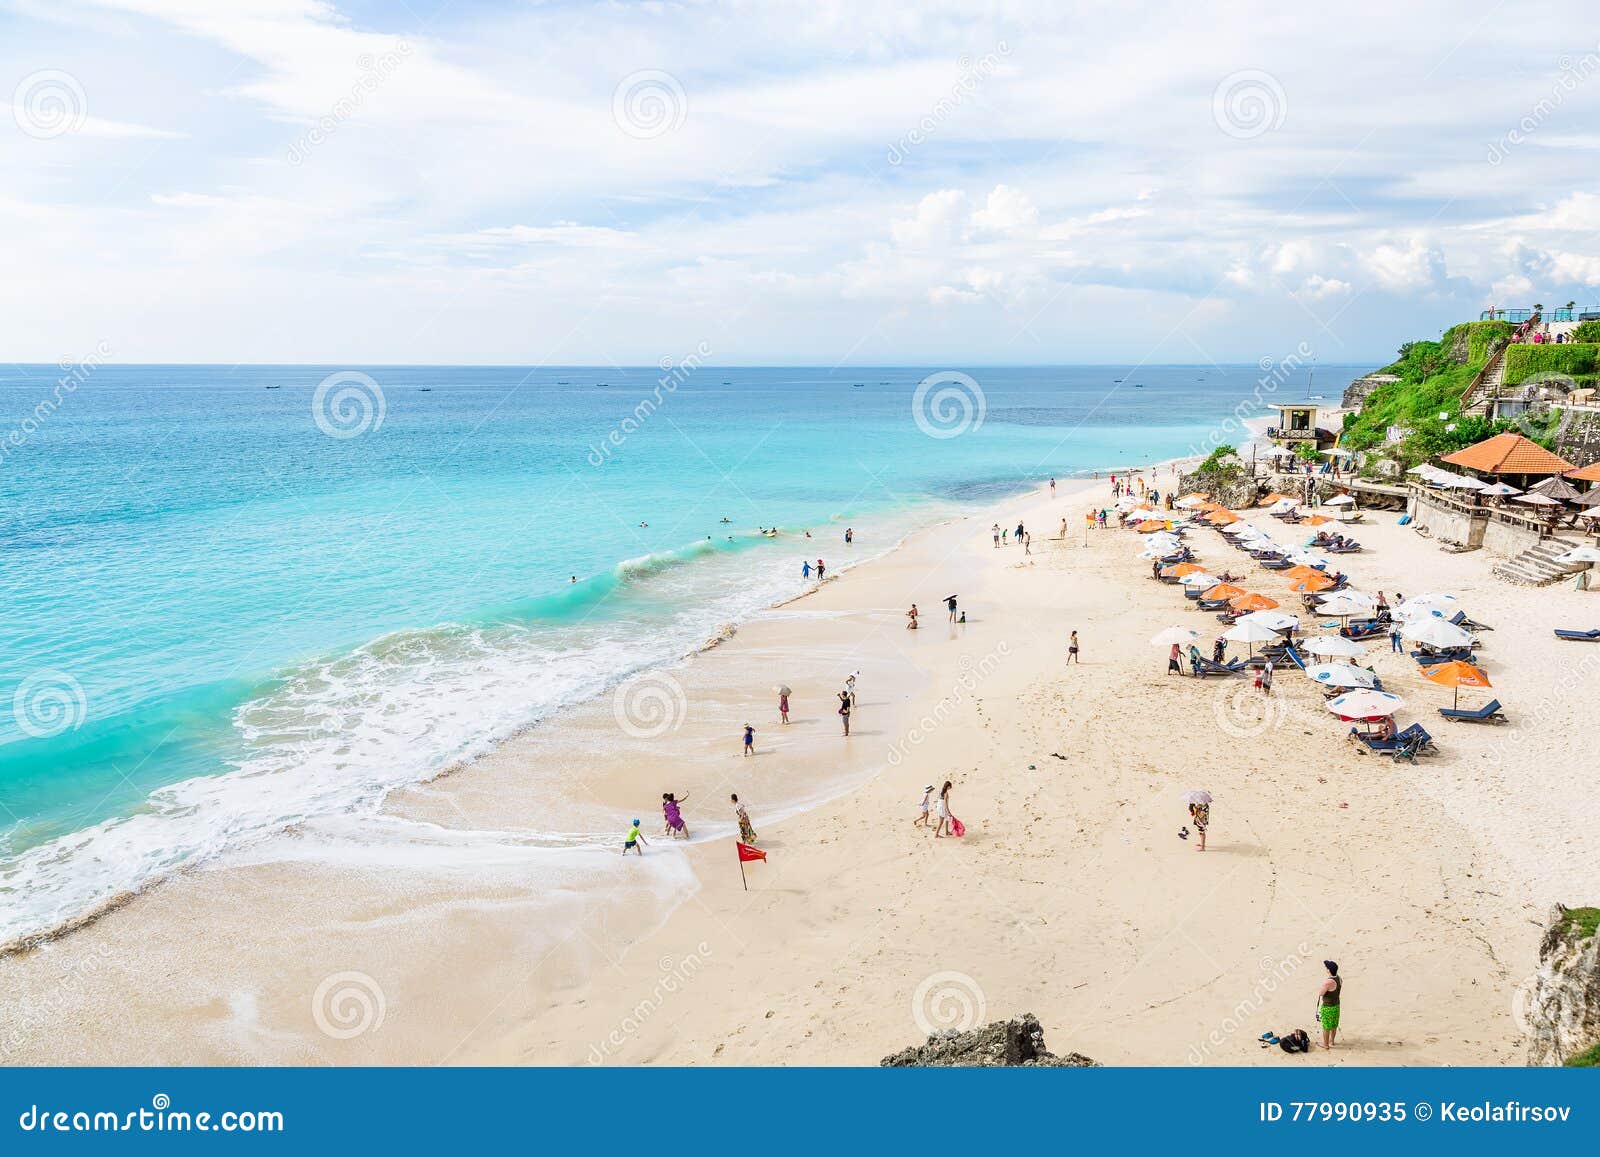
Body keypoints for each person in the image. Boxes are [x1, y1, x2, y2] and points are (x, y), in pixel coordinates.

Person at [1316, 961, 1342, 1050]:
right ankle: (1332, 1041)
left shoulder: (1328, 982)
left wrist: (1322, 985)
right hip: (1336, 1005)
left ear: (1329, 970)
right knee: (1334, 1024)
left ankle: (1326, 1045)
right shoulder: (1339, 978)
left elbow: (1321, 993)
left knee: (1326, 1026)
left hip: (1328, 1007)